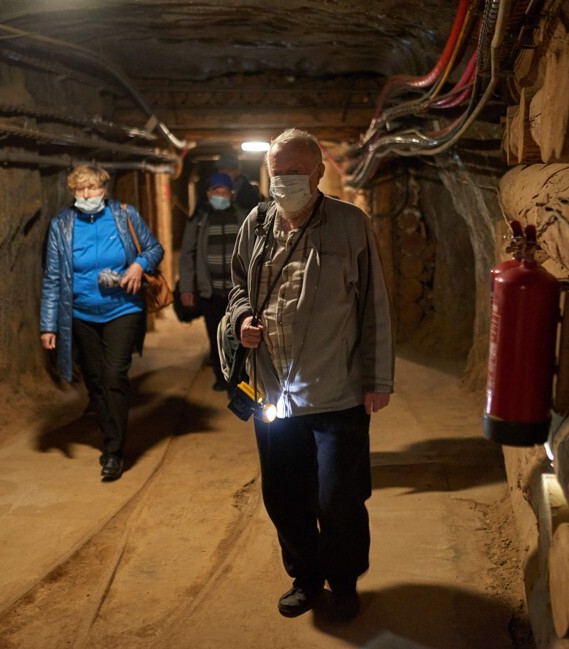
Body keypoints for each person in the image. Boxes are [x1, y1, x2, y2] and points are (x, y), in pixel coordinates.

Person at [227, 129, 395, 622]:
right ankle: (305, 577)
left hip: (336, 392)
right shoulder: (256, 224)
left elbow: (374, 307)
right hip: (272, 392)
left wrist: (377, 379)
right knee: (284, 493)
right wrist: (240, 321)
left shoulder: (350, 224)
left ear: (320, 172)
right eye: (278, 174)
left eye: (296, 174)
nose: (286, 183)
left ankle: (343, 581)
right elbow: (238, 285)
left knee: (338, 498)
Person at [39, 165, 163, 482]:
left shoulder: (124, 215)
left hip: (123, 308)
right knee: (95, 380)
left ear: (104, 189)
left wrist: (139, 265)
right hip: (80, 313)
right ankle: (111, 434)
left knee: (113, 374)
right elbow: (53, 278)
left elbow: (154, 248)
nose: (86, 195)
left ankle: (114, 451)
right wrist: (48, 325)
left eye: (92, 188)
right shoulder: (61, 225)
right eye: (80, 190)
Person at [178, 172, 251, 392]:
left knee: (240, 336)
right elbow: (186, 254)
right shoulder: (200, 220)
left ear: (232, 194)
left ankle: (239, 382)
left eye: (224, 192)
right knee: (217, 337)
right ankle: (221, 377)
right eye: (215, 192)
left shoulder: (244, 217)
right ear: (209, 195)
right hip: (210, 292)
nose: (220, 195)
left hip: (237, 292)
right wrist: (187, 288)